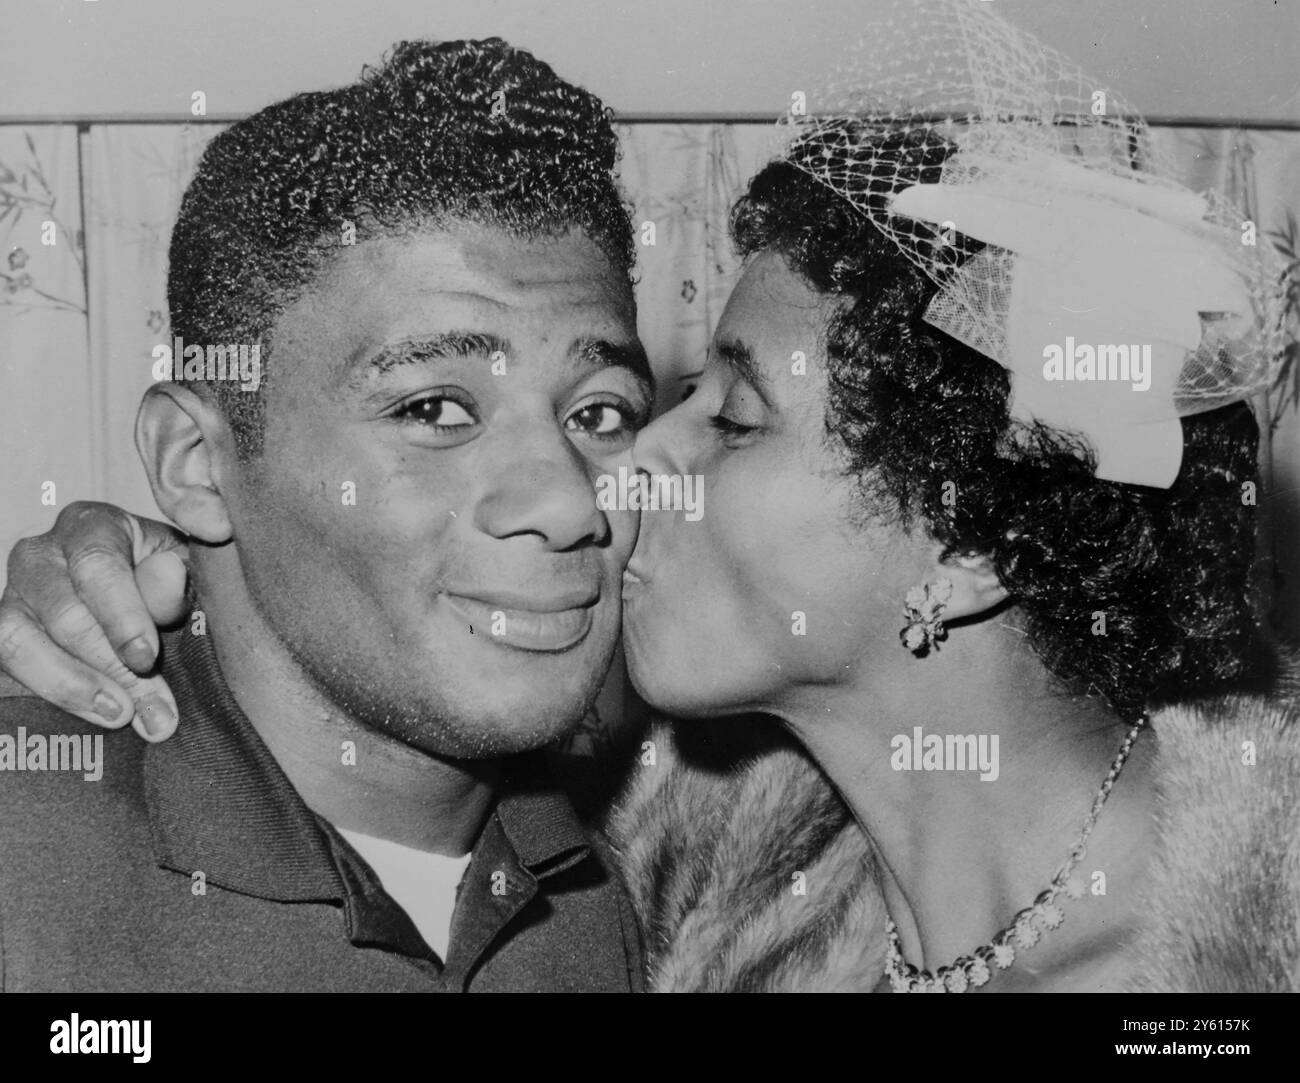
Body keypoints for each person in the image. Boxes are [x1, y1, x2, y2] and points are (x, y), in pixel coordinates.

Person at [5, 1, 1299, 994]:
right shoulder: (659, 793)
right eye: (436, 406)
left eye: (621, 412)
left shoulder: (1239, 926)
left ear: (964, 545)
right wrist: (136, 571)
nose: (595, 489)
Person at [0, 37, 647, 992]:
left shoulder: (597, 893)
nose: (565, 502)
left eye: (598, 414)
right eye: (433, 409)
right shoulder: (28, 850)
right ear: (197, 466)